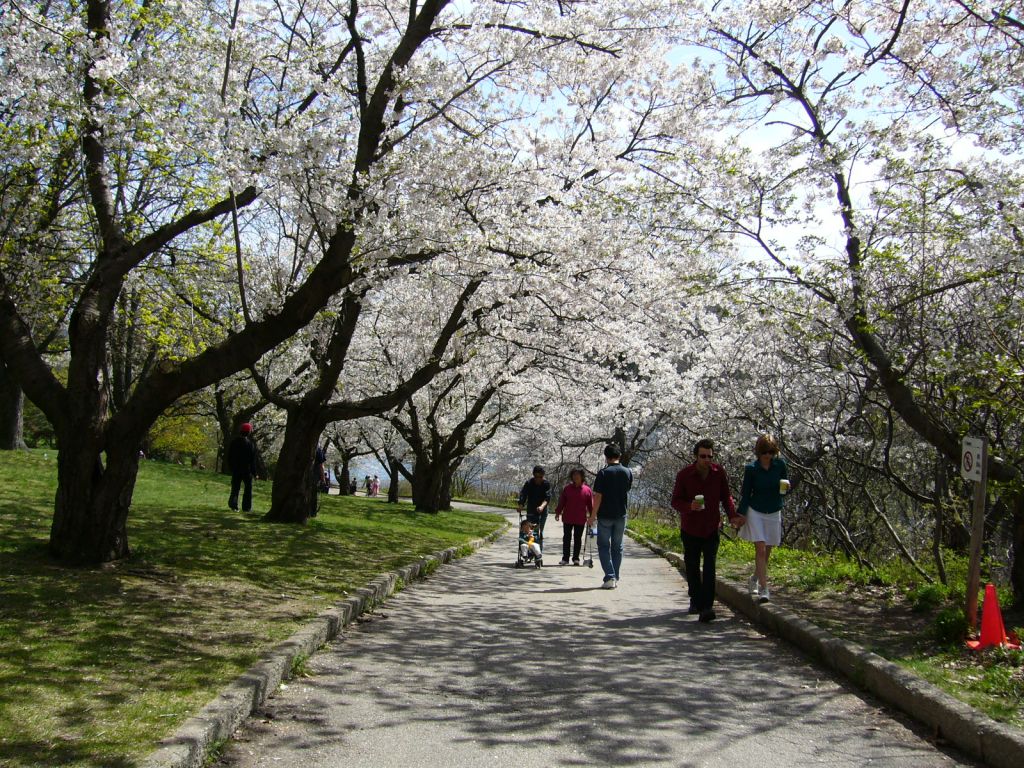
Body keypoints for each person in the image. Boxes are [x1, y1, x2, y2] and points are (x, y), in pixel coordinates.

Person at [671, 438, 742, 622]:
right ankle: (695, 599)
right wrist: (689, 506)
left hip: (711, 526)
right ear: (695, 456)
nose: (706, 460)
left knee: (710, 566)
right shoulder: (684, 475)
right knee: (692, 565)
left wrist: (732, 515)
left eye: (709, 456)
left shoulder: (718, 473)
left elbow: (726, 496)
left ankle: (707, 606)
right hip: (690, 527)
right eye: (702, 456)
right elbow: (675, 501)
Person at [736, 434, 790, 603]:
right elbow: (746, 493)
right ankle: (764, 589)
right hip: (756, 510)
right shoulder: (751, 469)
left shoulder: (780, 465)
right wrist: (741, 514)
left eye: (771, 452)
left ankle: (754, 577)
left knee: (767, 549)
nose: (768, 455)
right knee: (759, 548)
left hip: (773, 510)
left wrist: (786, 487)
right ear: (759, 452)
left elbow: (784, 486)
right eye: (765, 452)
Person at [587, 444, 633, 589]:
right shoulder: (627, 472)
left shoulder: (603, 473)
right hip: (621, 514)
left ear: (606, 457)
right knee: (617, 547)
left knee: (603, 546)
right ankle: (615, 577)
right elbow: (627, 489)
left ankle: (610, 576)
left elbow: (598, 496)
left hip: (605, 515)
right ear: (619, 455)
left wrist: (592, 516)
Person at [554, 468, 593, 565]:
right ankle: (565, 559)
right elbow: (562, 501)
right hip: (568, 517)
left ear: (582, 476)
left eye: (578, 475)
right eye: (574, 475)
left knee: (577, 538)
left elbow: (590, 505)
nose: (575, 477)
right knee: (566, 538)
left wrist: (592, 517)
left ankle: (576, 558)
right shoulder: (567, 488)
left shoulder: (587, 490)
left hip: (580, 519)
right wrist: (558, 512)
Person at [517, 465, 552, 551]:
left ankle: (538, 551)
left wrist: (541, 506)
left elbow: (547, 498)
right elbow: (523, 495)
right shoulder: (529, 483)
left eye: (540, 477)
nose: (538, 479)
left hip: (542, 510)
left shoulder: (546, 484)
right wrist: (521, 505)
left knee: (539, 530)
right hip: (531, 510)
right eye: (536, 476)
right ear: (533, 475)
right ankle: (529, 549)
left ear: (543, 476)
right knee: (529, 530)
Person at [227, 423, 259, 513]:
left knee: (235, 488)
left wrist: (231, 467)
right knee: (248, 489)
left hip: (236, 469)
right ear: (249, 432)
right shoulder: (250, 444)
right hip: (247, 470)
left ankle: (233, 505)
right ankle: (246, 508)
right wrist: (255, 473)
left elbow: (230, 456)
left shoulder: (234, 442)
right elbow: (252, 460)